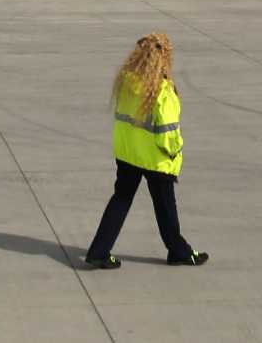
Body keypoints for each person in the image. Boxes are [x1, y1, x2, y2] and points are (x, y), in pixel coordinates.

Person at [82, 33, 207, 270]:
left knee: (121, 199)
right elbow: (169, 134)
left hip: (128, 155)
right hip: (155, 160)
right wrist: (174, 153)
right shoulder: (162, 92)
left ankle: (99, 250)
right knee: (165, 206)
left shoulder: (127, 82)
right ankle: (179, 251)